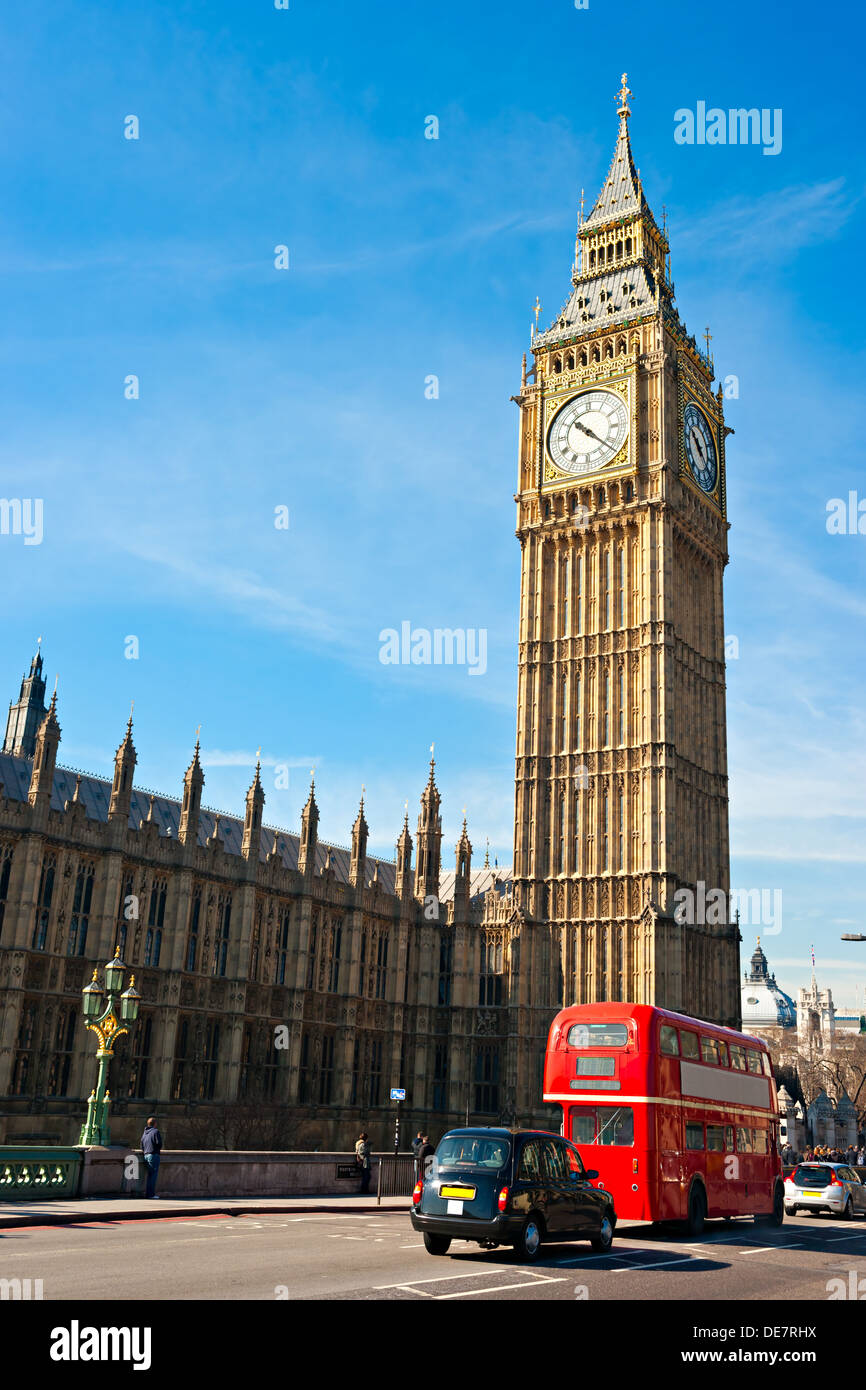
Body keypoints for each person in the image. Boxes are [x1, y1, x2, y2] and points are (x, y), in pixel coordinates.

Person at [141, 1117, 162, 1198]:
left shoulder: (144, 1133)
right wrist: (156, 1150)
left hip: (145, 1155)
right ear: (155, 1124)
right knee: (153, 1176)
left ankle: (148, 1194)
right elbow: (159, 1143)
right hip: (153, 1155)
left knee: (150, 1175)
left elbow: (141, 1145)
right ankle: (151, 1194)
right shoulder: (155, 1131)